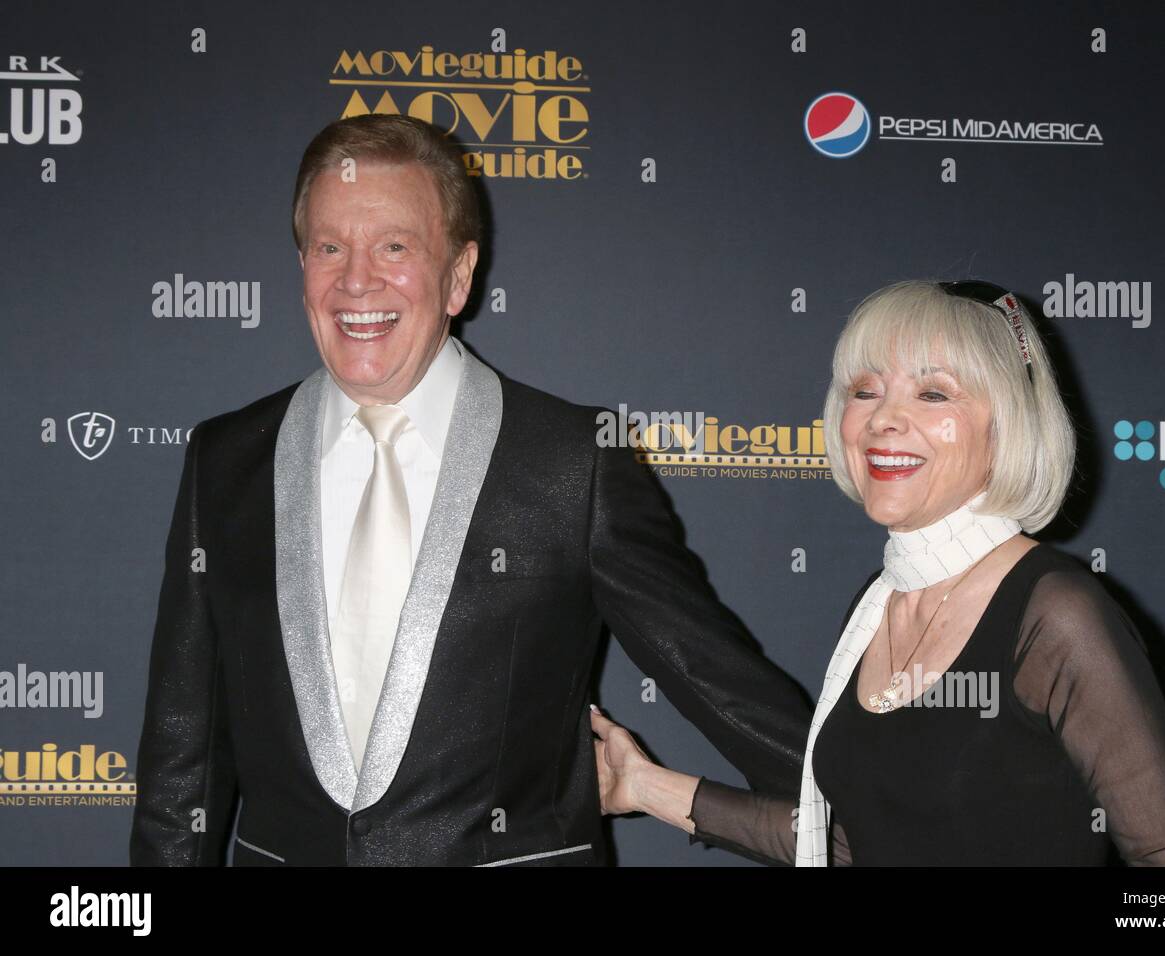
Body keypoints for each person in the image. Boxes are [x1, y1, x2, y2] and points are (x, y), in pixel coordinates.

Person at [128, 114, 812, 866]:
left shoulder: (573, 463)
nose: (356, 280)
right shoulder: (226, 459)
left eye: (395, 247)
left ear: (458, 275)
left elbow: (720, 682)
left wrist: (867, 808)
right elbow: (181, 758)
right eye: (330, 247)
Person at [591, 279, 1165, 866]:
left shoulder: (1055, 613)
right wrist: (645, 788)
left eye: (934, 393)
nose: (883, 418)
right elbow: (855, 843)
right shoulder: (880, 602)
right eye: (865, 390)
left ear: (1005, 429)